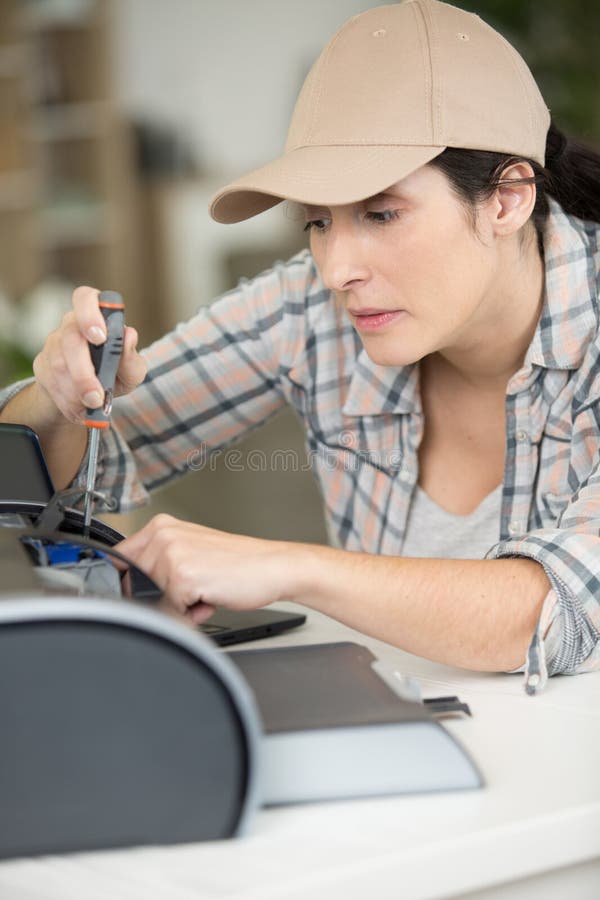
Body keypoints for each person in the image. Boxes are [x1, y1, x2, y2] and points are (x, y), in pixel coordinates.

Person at [2, 0, 600, 694]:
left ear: (506, 200)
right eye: (318, 222)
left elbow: (558, 611)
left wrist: (295, 567)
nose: (336, 267)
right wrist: (57, 399)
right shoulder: (311, 310)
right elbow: (75, 475)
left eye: (380, 213)